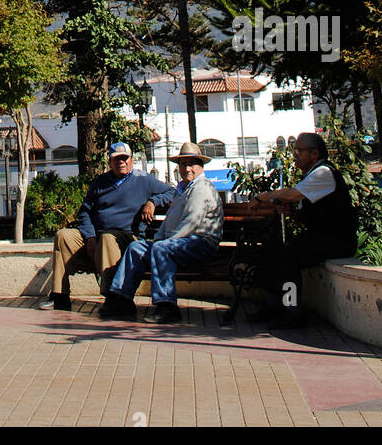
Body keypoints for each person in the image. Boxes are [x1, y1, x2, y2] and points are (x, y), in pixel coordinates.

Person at [40, 142, 176, 310]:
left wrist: (153, 201)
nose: (121, 162)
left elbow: (172, 192)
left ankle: (113, 297)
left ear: (132, 160)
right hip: (97, 235)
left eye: (125, 158)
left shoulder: (144, 180)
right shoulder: (100, 182)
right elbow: (84, 211)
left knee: (107, 238)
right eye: (116, 159)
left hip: (126, 237)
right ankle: (60, 296)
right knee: (63, 236)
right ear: (110, 163)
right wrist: (89, 237)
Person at [100, 142, 224, 325]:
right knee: (136, 248)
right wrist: (157, 242)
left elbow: (192, 223)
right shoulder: (182, 189)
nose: (187, 168)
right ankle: (121, 299)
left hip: (200, 243)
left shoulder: (202, 188)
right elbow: (168, 222)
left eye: (192, 164)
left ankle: (167, 306)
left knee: (161, 249)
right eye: (183, 164)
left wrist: (162, 245)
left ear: (201, 166)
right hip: (178, 243)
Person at [249, 131, 358, 329]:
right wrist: (292, 213)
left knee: (289, 254)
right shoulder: (313, 175)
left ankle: (292, 311)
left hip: (338, 241)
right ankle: (273, 303)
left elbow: (294, 194)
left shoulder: (324, 173)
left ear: (314, 154)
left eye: (299, 150)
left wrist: (264, 196)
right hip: (323, 238)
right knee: (273, 250)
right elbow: (314, 215)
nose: (295, 155)